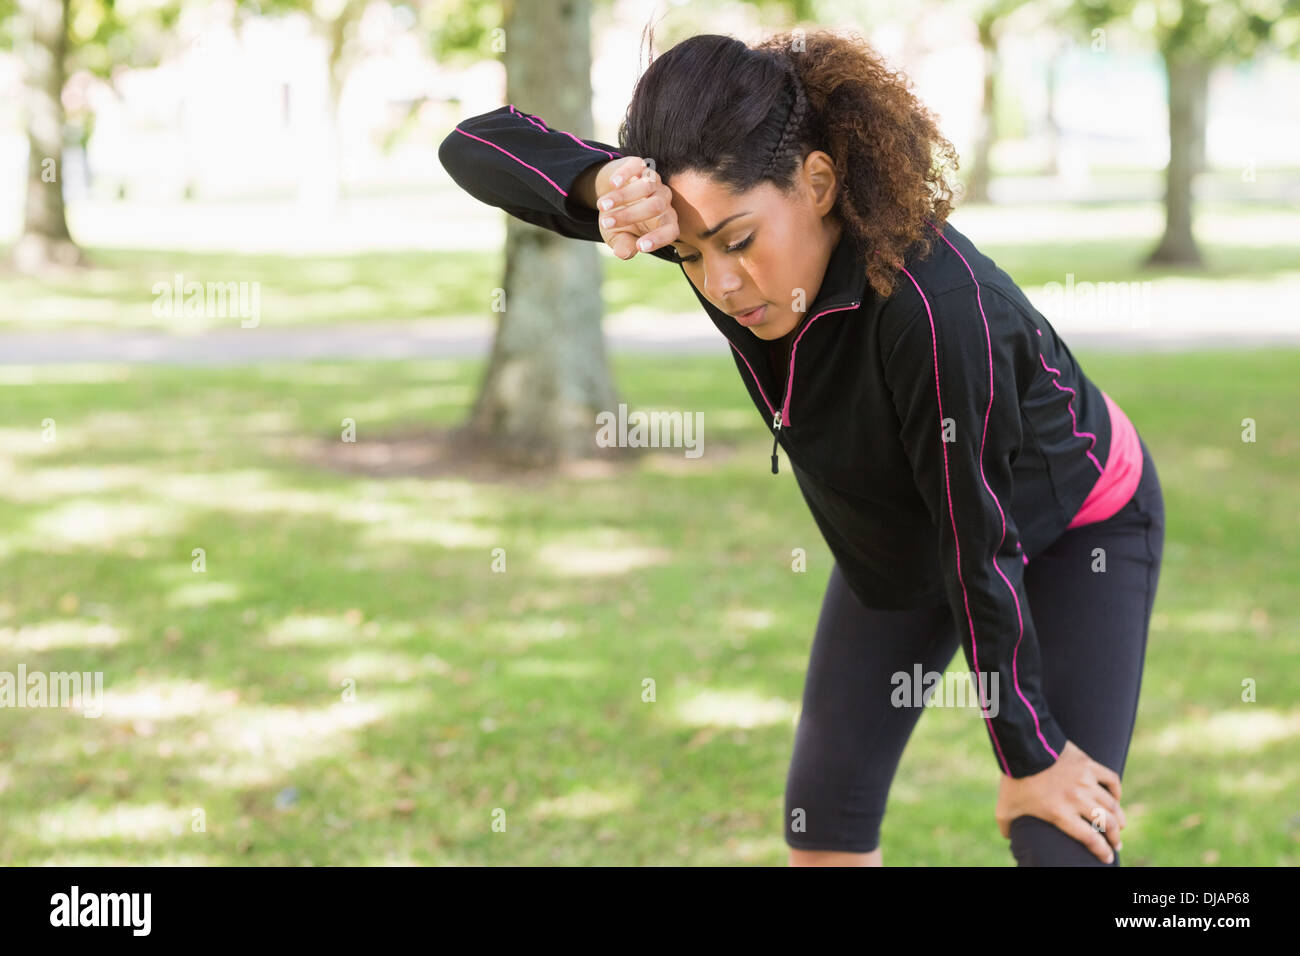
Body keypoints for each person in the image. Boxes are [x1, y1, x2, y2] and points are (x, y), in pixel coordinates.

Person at [438, 28, 1165, 867]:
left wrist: (1029, 759)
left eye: (739, 242)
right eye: (687, 252)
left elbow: (979, 546)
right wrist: (604, 184)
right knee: (823, 832)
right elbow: (474, 146)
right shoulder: (711, 223)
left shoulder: (937, 309)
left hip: (1072, 528)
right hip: (903, 539)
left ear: (817, 182)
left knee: (1057, 842)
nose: (720, 282)